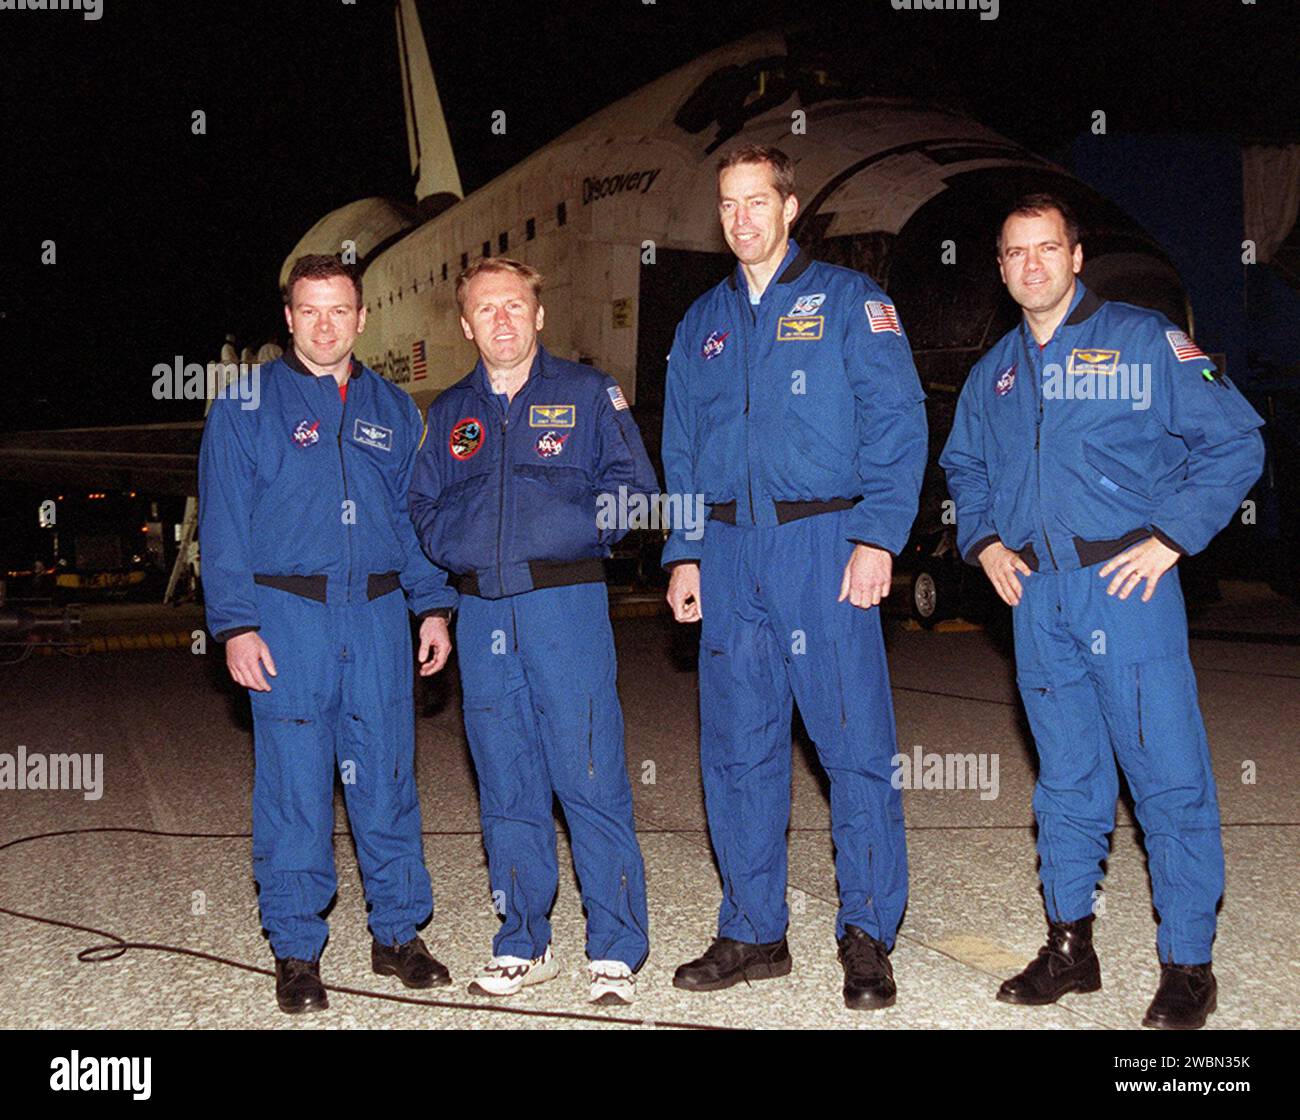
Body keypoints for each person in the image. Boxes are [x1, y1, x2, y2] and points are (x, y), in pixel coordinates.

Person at [940, 194, 1265, 1030]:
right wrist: (982, 544)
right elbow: (964, 466)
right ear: (1002, 268)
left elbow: (1236, 441)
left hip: (1128, 591)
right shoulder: (996, 372)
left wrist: (1171, 538)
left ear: (1076, 257)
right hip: (1037, 598)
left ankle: (1189, 964)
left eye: (1047, 249)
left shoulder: (1142, 340)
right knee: (1069, 782)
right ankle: (1070, 947)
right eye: (1015, 254)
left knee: (1167, 777)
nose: (1032, 266)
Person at [661, 144, 928, 1010]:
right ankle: (752, 929)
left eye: (757, 201)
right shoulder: (700, 321)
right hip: (732, 554)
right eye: (729, 205)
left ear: (790, 205)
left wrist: (880, 536)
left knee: (851, 746)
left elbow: (897, 423)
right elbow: (681, 449)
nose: (742, 218)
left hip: (825, 545)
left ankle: (866, 934)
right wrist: (684, 551)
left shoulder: (854, 301)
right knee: (738, 749)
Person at [199, 254, 456, 1014]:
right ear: (288, 317)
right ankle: (297, 950)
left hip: (377, 616)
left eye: (338, 310)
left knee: (386, 778)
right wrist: (236, 625)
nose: (324, 324)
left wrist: (433, 603)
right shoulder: (246, 406)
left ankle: (399, 933)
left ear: (362, 318)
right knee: (295, 788)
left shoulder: (394, 408)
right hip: (288, 617)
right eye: (308, 310)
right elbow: (223, 527)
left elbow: (411, 521)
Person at [409, 258, 657, 1006]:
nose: (503, 320)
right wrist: (463, 546)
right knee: (506, 780)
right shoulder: (451, 412)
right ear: (466, 325)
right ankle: (523, 940)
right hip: (483, 612)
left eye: (515, 306)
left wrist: (565, 530)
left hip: (565, 607)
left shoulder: (587, 393)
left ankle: (615, 946)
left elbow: (638, 498)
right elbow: (419, 509)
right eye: (487, 310)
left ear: (539, 315)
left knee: (588, 774)